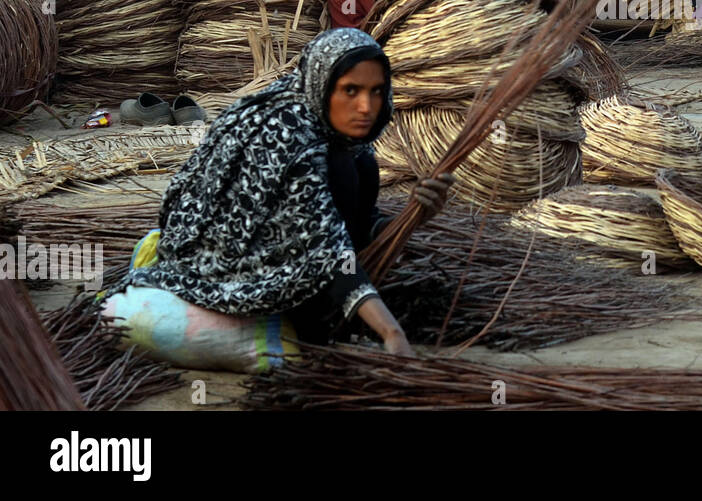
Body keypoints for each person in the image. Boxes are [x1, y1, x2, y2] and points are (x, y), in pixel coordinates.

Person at [104, 29, 454, 363]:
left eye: (376, 91)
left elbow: (357, 224)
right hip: (222, 258)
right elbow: (326, 250)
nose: (366, 106)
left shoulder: (341, 134)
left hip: (303, 239)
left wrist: (413, 216)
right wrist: (391, 333)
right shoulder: (285, 135)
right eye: (350, 90)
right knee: (344, 172)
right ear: (324, 83)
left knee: (358, 162)